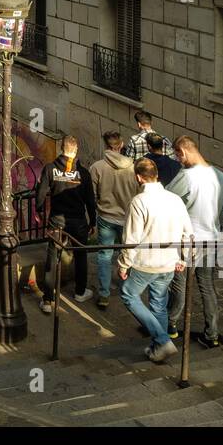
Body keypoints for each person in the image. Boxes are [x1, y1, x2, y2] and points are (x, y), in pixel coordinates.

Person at [117, 158, 194, 363]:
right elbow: (188, 232)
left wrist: (124, 265)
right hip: (169, 261)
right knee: (158, 304)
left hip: (146, 263)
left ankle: (161, 340)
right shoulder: (175, 199)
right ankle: (157, 348)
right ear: (156, 175)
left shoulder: (139, 202)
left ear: (138, 177)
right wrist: (183, 258)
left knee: (128, 295)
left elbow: (131, 238)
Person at [165, 136, 223, 348]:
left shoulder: (186, 177)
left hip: (187, 242)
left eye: (177, 156)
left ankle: (171, 326)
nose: (178, 161)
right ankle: (212, 333)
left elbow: (167, 200)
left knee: (179, 286)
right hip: (211, 241)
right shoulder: (221, 177)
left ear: (183, 152)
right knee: (207, 286)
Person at [36, 136, 95, 314]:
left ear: (61, 149)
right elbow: (90, 201)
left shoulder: (50, 169)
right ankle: (80, 291)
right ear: (75, 151)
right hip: (78, 221)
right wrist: (93, 221)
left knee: (53, 258)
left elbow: (40, 195)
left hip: (57, 221)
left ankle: (47, 299)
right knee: (81, 255)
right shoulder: (83, 173)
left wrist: (39, 211)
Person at [88, 131, 142, 311]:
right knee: (129, 253)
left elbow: (92, 194)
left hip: (106, 217)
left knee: (104, 256)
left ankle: (104, 294)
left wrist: (99, 205)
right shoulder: (134, 168)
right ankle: (130, 289)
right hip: (128, 218)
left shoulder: (97, 167)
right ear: (121, 145)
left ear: (106, 146)